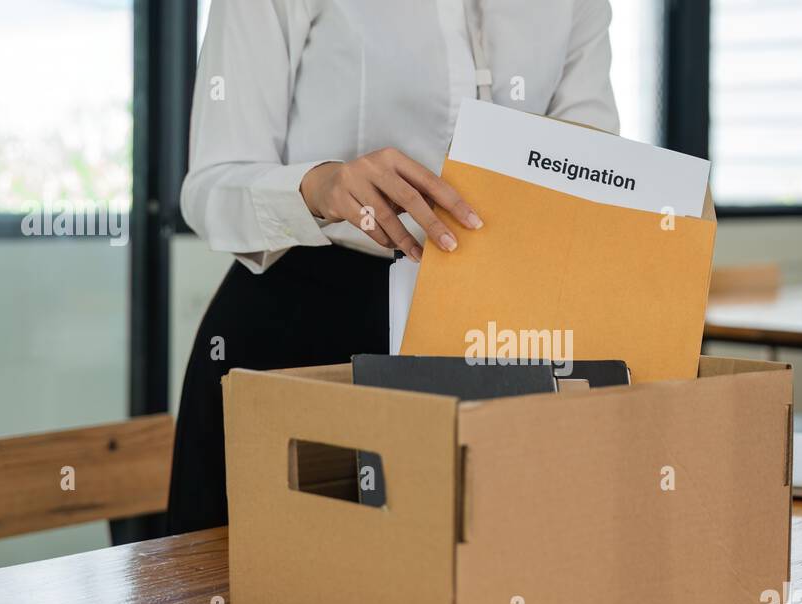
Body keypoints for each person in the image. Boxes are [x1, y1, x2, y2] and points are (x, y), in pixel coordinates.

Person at [169, 0, 619, 533]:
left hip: (498, 333)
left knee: (496, 586)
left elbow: (595, 164)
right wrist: (321, 186)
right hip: (301, 333)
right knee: (249, 597)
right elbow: (209, 187)